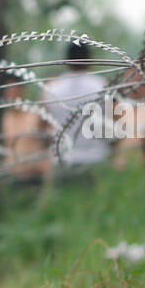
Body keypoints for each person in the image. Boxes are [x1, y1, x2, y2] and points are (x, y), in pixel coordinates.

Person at [42, 41, 108, 184]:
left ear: (66, 61)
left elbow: (40, 126)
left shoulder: (51, 89)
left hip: (62, 158)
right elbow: (116, 122)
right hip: (95, 158)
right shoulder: (101, 86)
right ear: (90, 60)